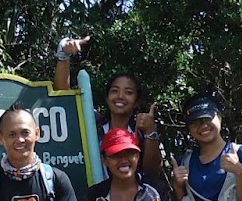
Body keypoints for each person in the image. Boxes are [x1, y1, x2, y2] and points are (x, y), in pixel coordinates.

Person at [54, 37, 165, 187]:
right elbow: (64, 102)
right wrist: (63, 55)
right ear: (106, 98)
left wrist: (151, 132)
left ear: (137, 102)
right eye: (114, 91)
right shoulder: (92, 124)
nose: (120, 96)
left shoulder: (141, 131)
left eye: (128, 92)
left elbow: (152, 172)